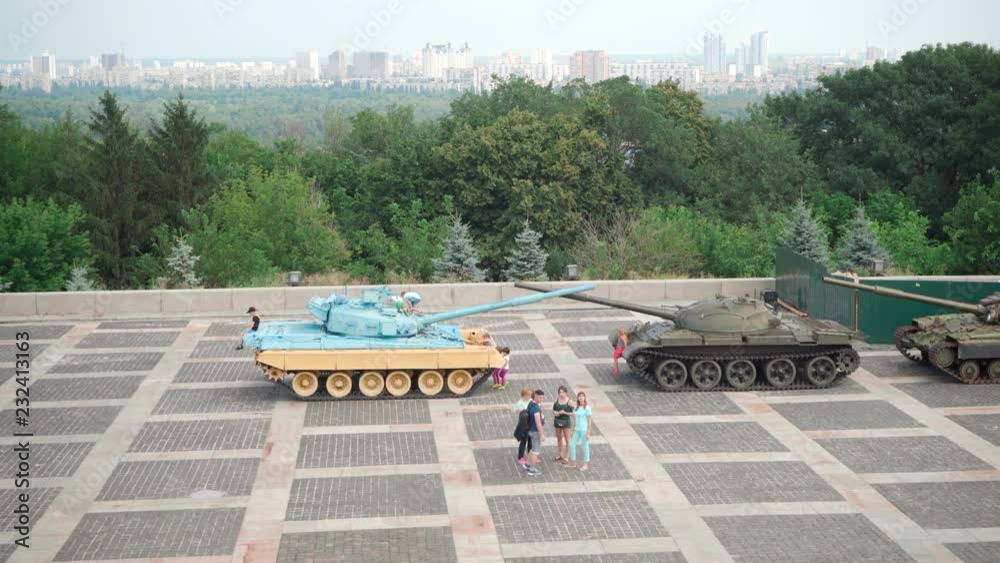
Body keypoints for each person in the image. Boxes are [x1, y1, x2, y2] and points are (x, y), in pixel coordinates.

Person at [566, 391, 593, 471]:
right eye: (579, 396)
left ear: (585, 398)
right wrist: (572, 430)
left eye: (582, 396)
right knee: (572, 444)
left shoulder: (587, 408)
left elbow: (589, 421)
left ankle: (586, 464)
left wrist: (588, 433)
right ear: (577, 398)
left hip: (584, 430)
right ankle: (573, 462)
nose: (581, 397)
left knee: (585, 446)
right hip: (577, 430)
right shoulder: (576, 408)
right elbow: (575, 420)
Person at [552, 385, 574, 462]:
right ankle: (560, 453)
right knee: (559, 438)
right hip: (557, 421)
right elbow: (553, 409)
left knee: (567, 439)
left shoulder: (569, 401)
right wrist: (555, 412)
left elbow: (572, 413)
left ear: (566, 393)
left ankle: (567, 456)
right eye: (560, 392)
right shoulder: (557, 399)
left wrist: (564, 412)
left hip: (566, 422)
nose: (561, 394)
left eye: (563, 392)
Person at [526, 389, 546, 476]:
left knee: (532, 448)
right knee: (536, 451)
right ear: (536, 396)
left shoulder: (531, 404)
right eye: (540, 397)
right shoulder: (536, 408)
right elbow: (538, 422)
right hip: (535, 431)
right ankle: (532, 469)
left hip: (530, 430)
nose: (542, 399)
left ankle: (527, 463)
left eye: (542, 397)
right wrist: (542, 434)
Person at [513, 387, 533, 469]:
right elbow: (514, 409)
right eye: (528, 395)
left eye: (530, 395)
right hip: (523, 424)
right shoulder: (520, 402)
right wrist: (519, 410)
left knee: (530, 441)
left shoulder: (531, 401)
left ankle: (530, 455)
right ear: (524, 395)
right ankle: (520, 457)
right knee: (523, 441)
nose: (529, 397)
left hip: (530, 423)